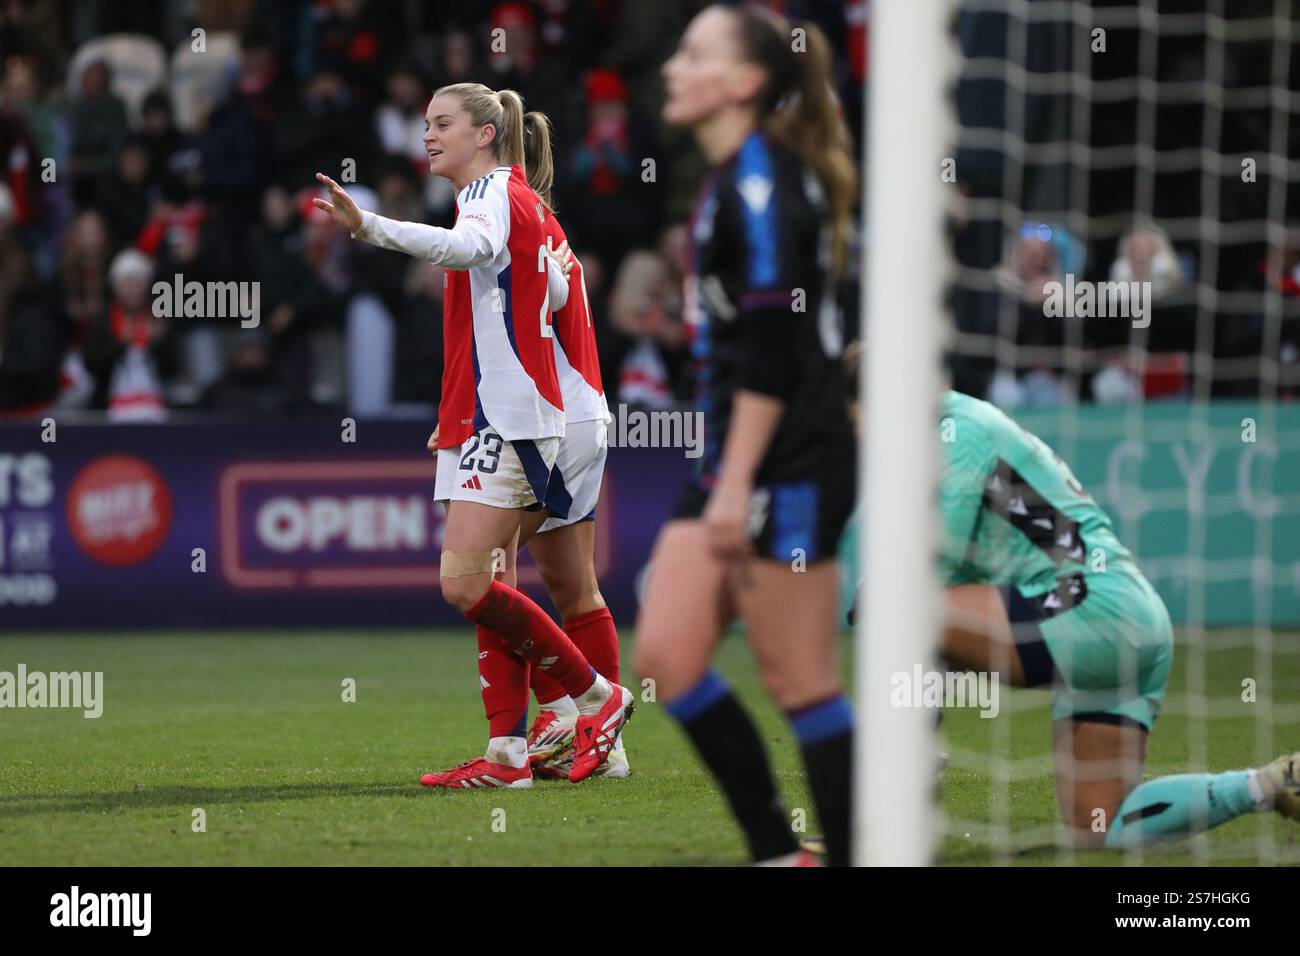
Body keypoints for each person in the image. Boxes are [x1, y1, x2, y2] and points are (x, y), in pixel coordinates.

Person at [312, 81, 633, 788]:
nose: (426, 135)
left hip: (526, 415)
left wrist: (370, 226)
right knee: (553, 585)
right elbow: (542, 299)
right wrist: (458, 411)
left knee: (474, 580)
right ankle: (537, 750)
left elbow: (472, 252)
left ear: (484, 134)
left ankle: (586, 709)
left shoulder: (489, 194)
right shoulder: (527, 203)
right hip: (548, 408)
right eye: (425, 123)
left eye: (441, 123)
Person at [632, 5, 858, 866]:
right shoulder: (731, 179)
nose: (671, 69)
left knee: (801, 682)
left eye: (693, 54)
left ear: (743, 83)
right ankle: (778, 851)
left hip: (790, 460)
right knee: (667, 656)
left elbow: (774, 350)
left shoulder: (766, 180)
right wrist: (723, 473)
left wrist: (736, 483)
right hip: (730, 457)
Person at [934, 389, 1300, 847]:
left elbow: (931, 569)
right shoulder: (971, 427)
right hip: (1129, 618)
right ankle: (1268, 784)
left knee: (900, 605)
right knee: (1100, 829)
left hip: (1089, 606)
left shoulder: (956, 428)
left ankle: (899, 772)